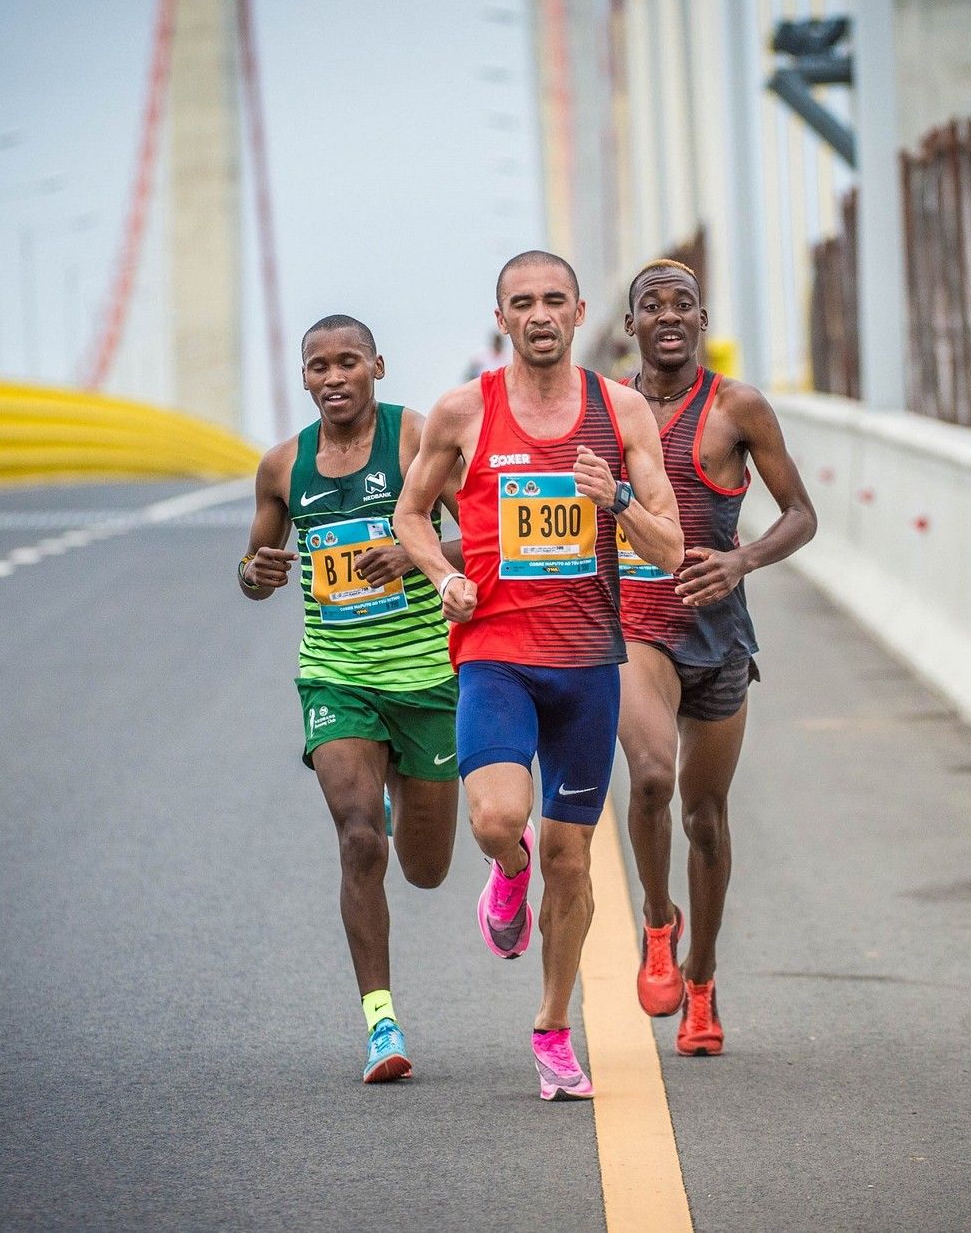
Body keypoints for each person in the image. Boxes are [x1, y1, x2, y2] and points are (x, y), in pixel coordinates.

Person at [394, 251, 682, 1101]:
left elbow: (670, 546)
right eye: (523, 303)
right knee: (496, 818)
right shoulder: (464, 411)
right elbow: (411, 514)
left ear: (580, 310)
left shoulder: (620, 410)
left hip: (587, 664)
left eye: (555, 300)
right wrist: (442, 576)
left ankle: (553, 1030)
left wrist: (616, 500)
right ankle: (506, 867)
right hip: (494, 652)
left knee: (572, 859)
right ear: (502, 319)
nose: (541, 314)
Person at [238, 314, 465, 1084]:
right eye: (318, 366)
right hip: (335, 674)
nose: (333, 377)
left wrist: (415, 551)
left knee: (426, 869)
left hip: (426, 676)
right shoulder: (282, 466)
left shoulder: (415, 438)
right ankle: (381, 1022)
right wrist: (255, 574)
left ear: (377, 366)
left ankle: (408, 789)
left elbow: (487, 531)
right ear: (304, 377)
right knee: (361, 837)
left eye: (348, 362)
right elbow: (253, 567)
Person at [614, 259, 815, 1055]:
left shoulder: (737, 407)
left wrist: (742, 560)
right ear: (629, 324)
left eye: (684, 304)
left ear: (703, 320)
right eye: (652, 305)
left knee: (704, 819)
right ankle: (658, 922)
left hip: (719, 635)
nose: (668, 315)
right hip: (638, 628)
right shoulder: (604, 409)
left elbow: (800, 514)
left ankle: (701, 979)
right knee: (650, 776)